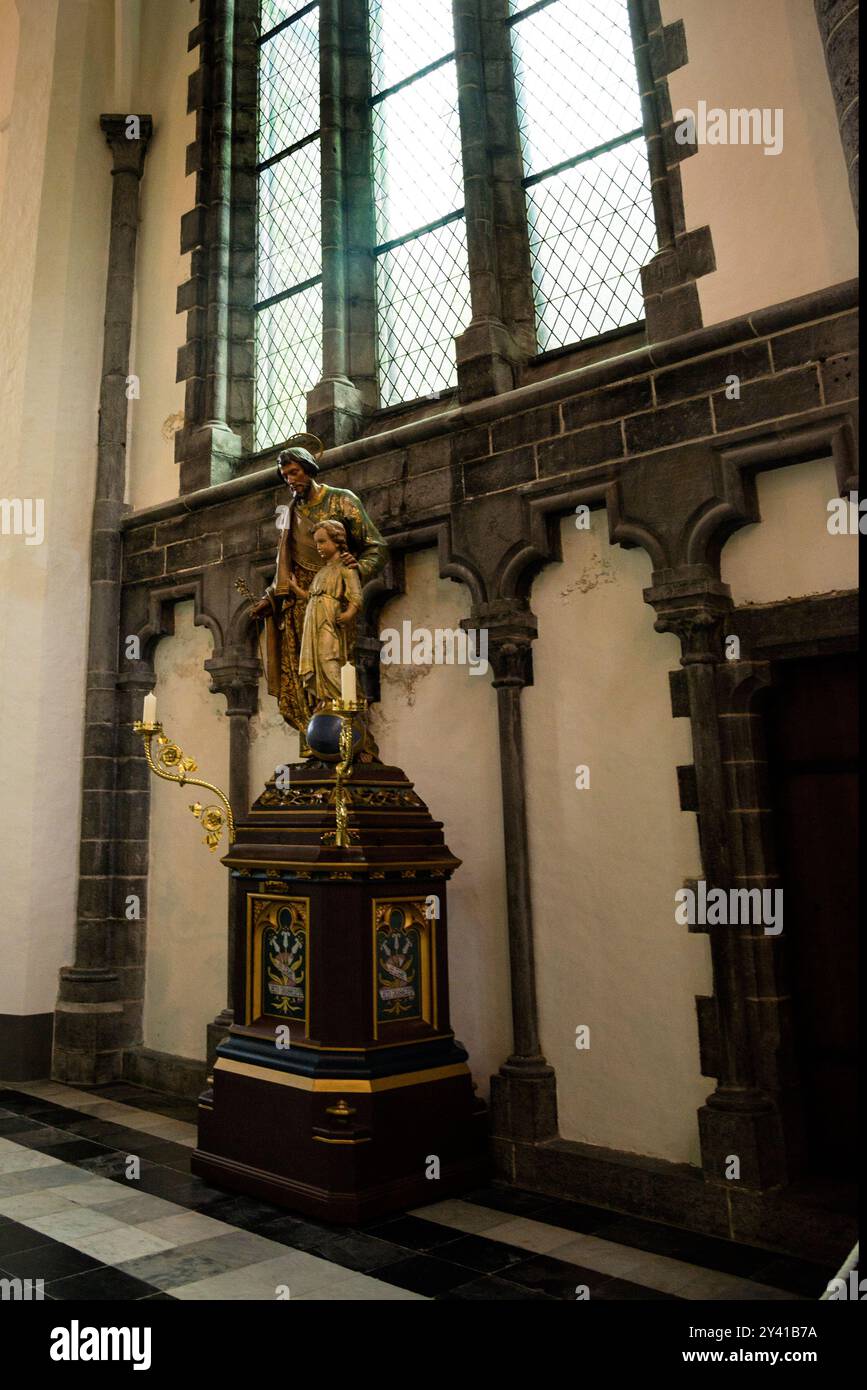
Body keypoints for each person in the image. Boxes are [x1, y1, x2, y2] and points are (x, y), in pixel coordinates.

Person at [248, 446, 388, 737]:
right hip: (299, 602)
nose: (290, 480)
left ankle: (350, 741)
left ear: (309, 469)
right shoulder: (289, 512)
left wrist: (357, 567)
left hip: (333, 597)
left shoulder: (341, 500)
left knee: (334, 663)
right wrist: (271, 598)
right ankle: (315, 741)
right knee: (305, 673)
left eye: (294, 472)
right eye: (285, 475)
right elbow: (283, 562)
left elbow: (376, 547)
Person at [295, 521, 362, 707]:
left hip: (328, 618)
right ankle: (326, 699)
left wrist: (349, 613)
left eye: (322, 541)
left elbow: (356, 594)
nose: (319, 547)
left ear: (337, 541)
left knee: (328, 657)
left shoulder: (345, 566)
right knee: (315, 660)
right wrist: (294, 588)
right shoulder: (322, 571)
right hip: (313, 618)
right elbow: (310, 596)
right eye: (316, 543)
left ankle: (345, 700)